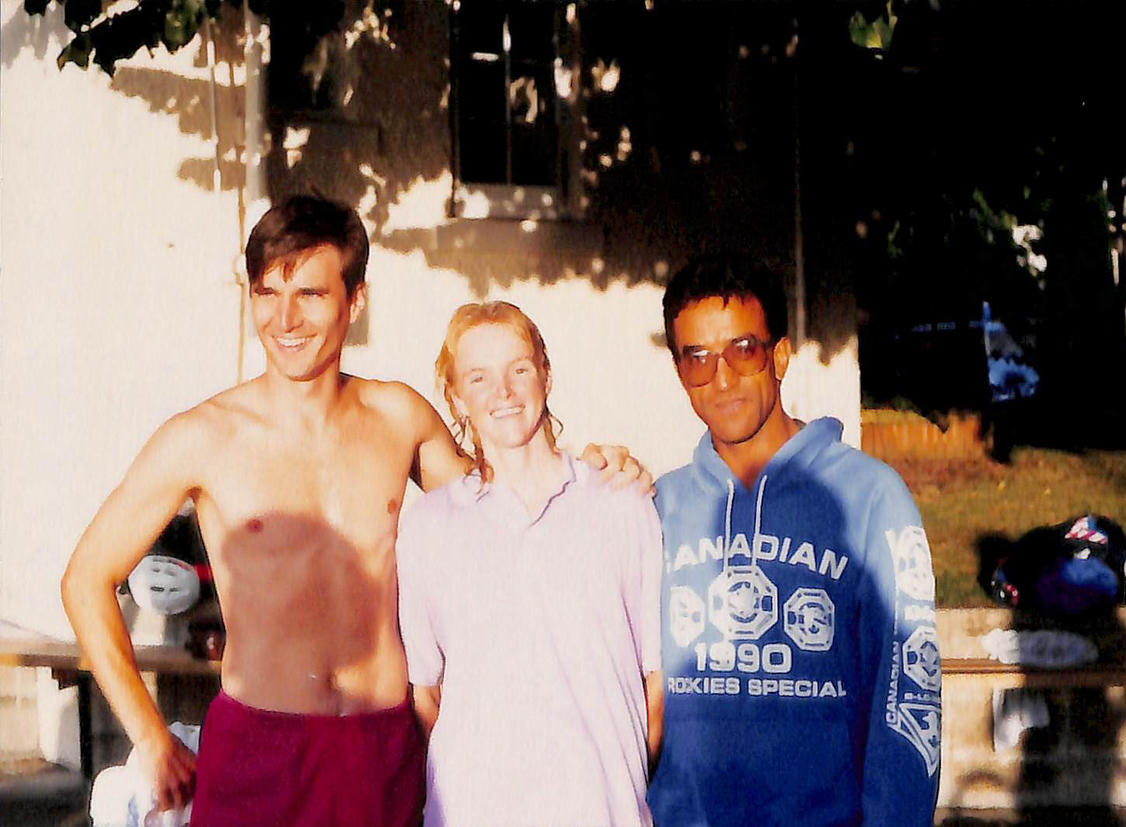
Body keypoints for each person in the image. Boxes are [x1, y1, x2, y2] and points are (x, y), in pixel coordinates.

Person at [60, 196, 648, 827]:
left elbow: (505, 503)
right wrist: (149, 737)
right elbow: (86, 579)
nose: (285, 319)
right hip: (259, 747)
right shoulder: (202, 436)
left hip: (381, 750)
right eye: (267, 293)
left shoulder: (400, 419)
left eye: (310, 294)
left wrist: (597, 465)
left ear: (355, 301)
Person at [647, 255, 941, 826]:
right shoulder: (657, 507)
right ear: (680, 372)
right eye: (698, 359)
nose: (723, 378)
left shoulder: (871, 498)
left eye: (743, 350)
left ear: (779, 356)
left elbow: (909, 691)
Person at [397, 301, 664, 827]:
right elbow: (426, 696)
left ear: (545, 374)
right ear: (454, 396)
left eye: (519, 369)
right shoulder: (428, 527)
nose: (504, 392)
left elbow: (655, 686)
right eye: (479, 377)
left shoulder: (622, 502)